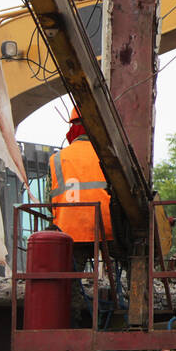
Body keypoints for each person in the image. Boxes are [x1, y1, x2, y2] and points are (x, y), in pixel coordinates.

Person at [48, 108, 113, 268]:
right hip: (107, 229)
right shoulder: (108, 154)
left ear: (73, 128)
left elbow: (49, 199)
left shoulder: (56, 158)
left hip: (69, 229)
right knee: (124, 260)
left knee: (71, 277)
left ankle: (74, 292)